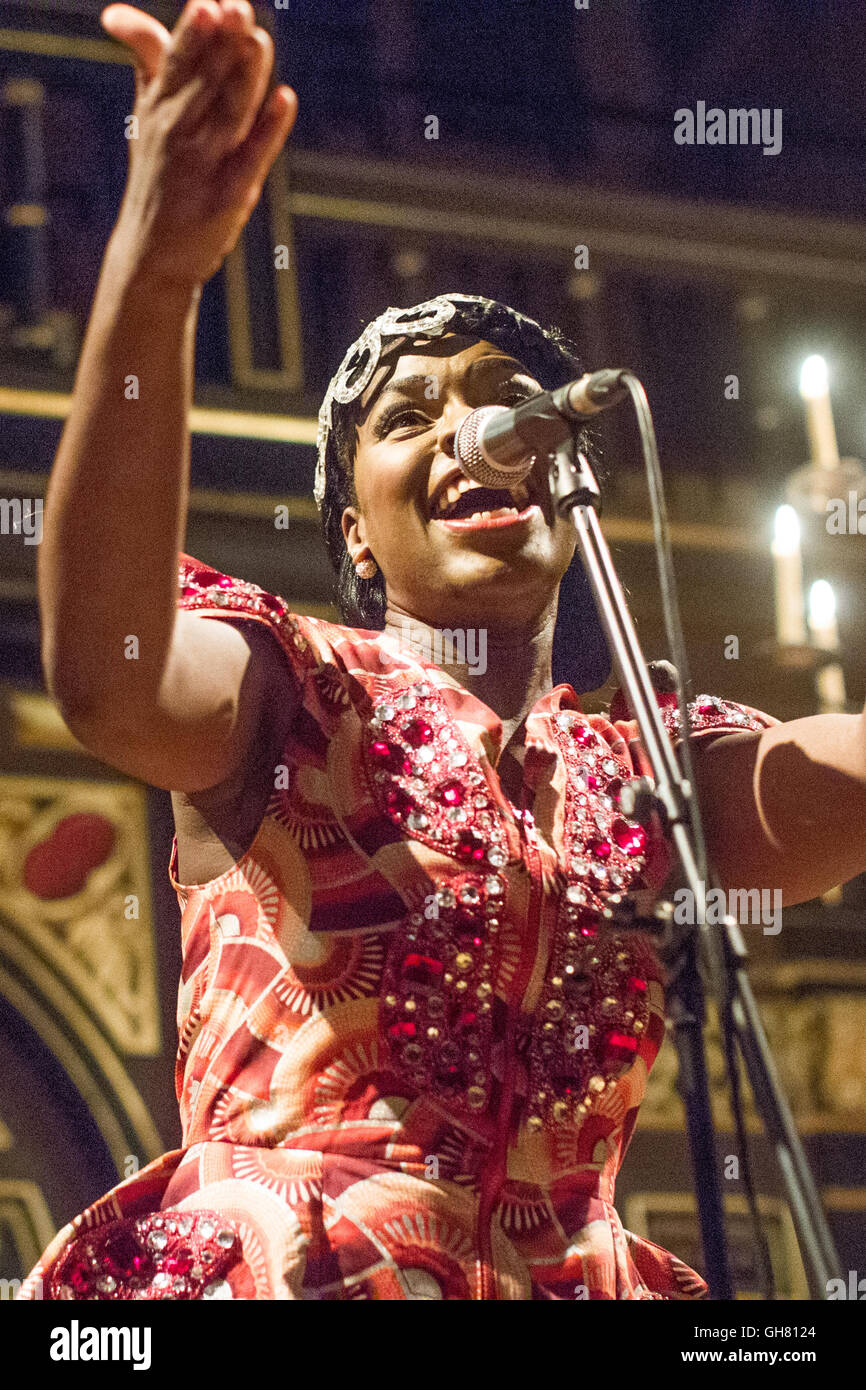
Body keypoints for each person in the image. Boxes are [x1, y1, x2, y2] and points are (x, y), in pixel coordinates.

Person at [21, 0, 866, 1301]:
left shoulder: (647, 772)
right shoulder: (293, 693)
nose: (474, 427)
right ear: (355, 531)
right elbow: (110, 672)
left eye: (501, 401)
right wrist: (160, 266)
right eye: (412, 414)